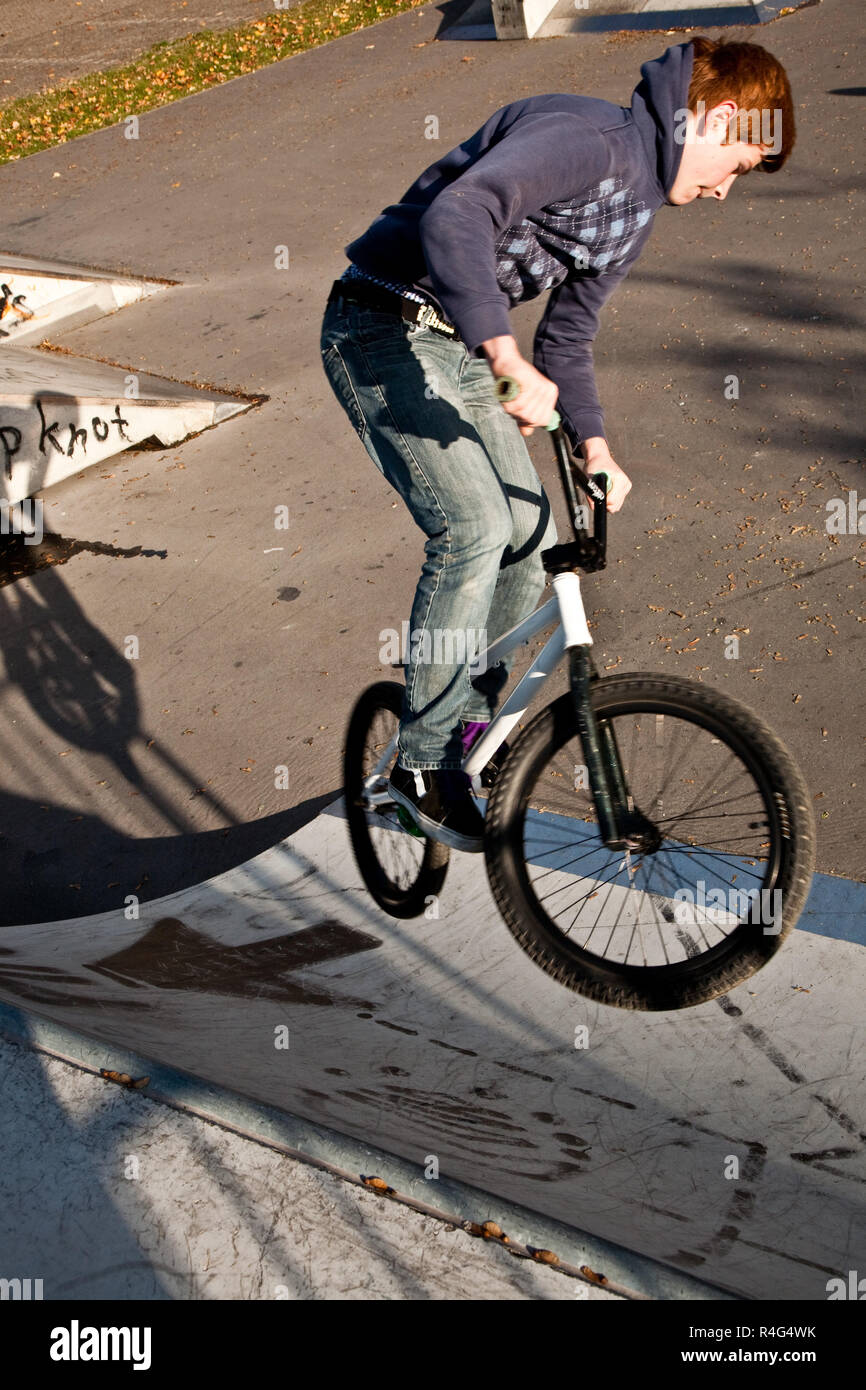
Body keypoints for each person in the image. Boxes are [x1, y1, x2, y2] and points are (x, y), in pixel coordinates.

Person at [320, 35, 794, 853]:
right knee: (472, 528)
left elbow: (569, 338)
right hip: (381, 322)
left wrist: (596, 448)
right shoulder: (592, 142)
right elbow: (460, 212)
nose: (726, 191)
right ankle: (420, 771)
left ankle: (465, 731)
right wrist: (504, 355)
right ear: (713, 118)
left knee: (533, 541)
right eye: (741, 165)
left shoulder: (637, 210)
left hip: (464, 347)